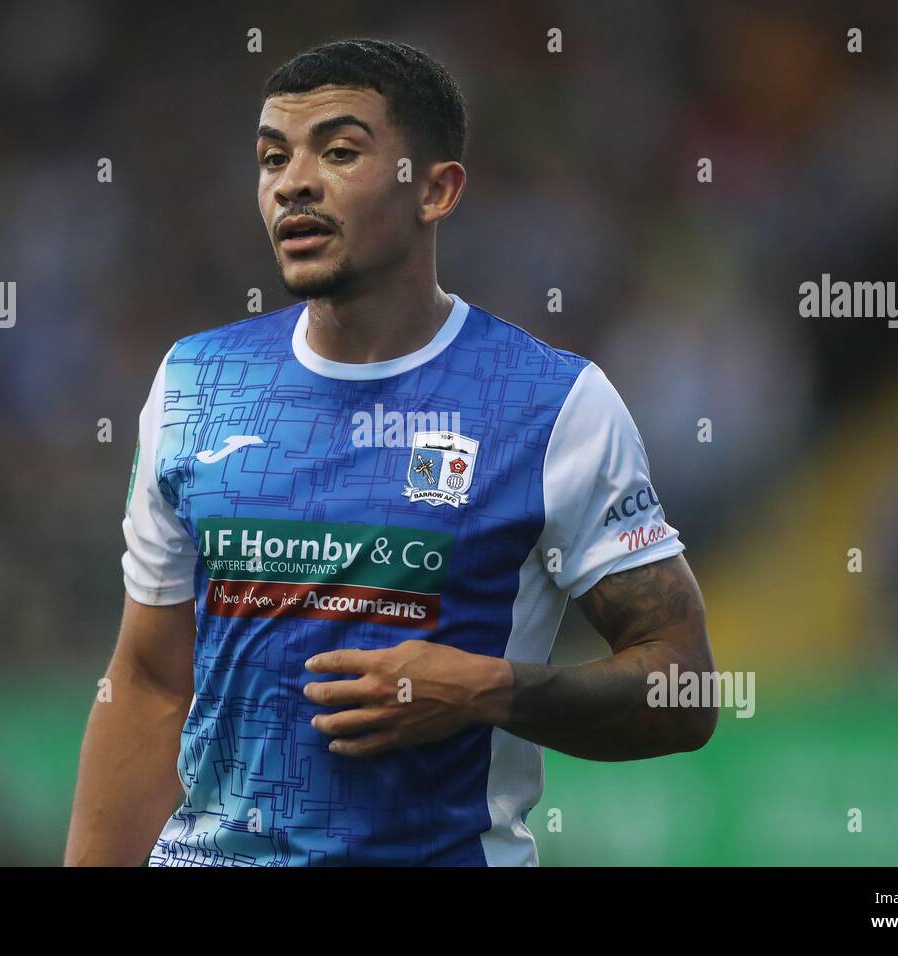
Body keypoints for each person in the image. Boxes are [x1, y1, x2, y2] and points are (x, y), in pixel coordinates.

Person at [65, 37, 715, 867]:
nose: (293, 182)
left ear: (435, 190)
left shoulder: (551, 406)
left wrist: (486, 690)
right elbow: (151, 683)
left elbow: (685, 689)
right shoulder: (196, 382)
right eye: (272, 158)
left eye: (339, 151)